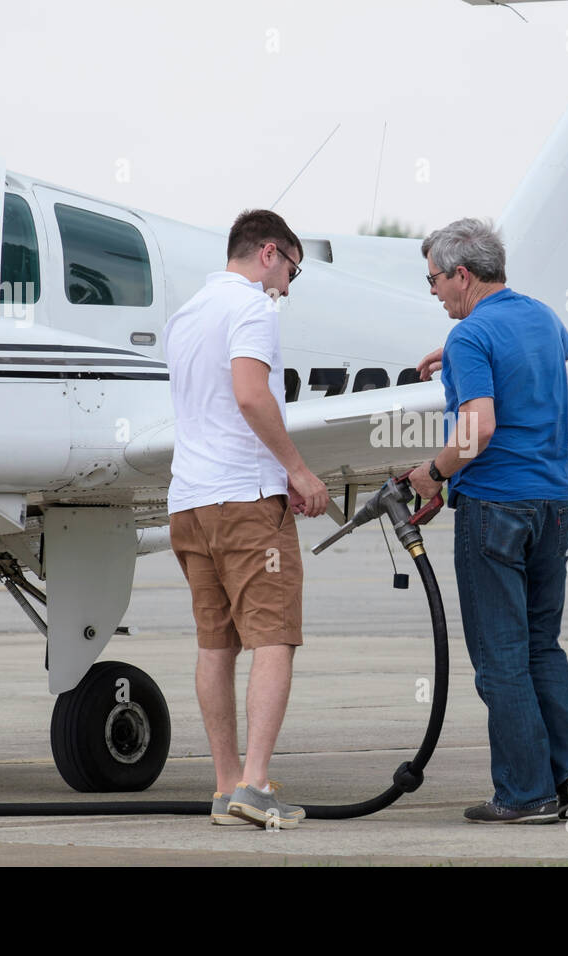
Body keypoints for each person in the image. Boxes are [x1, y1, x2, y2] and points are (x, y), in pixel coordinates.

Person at [408, 218, 568, 824]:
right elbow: (535, 363)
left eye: (435, 279)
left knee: (500, 657)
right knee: (543, 644)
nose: (434, 291)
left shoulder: (472, 338)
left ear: (461, 274)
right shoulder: (543, 318)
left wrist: (432, 473)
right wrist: (465, 350)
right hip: (555, 506)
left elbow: (479, 428)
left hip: (495, 508)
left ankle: (524, 794)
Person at [165, 209, 329, 830]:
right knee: (274, 637)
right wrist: (299, 472)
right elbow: (250, 393)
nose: (287, 285)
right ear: (268, 252)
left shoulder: (185, 315)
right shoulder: (253, 309)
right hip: (246, 500)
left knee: (215, 645)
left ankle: (224, 785)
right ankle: (257, 786)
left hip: (190, 502)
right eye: (292, 268)